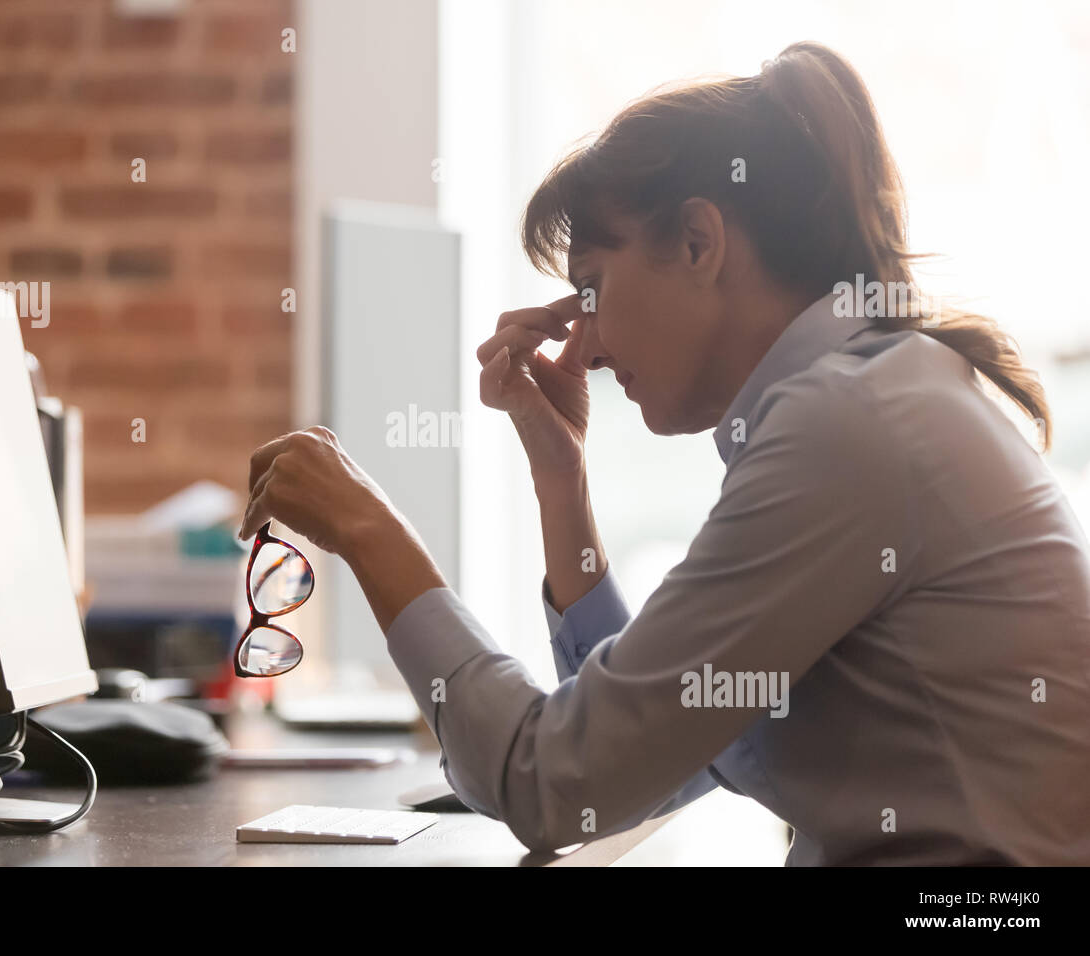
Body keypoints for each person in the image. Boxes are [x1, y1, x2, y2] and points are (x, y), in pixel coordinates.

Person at [237, 41, 1090, 864]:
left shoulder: (846, 429)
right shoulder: (874, 395)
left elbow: (554, 785)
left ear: (697, 243)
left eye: (593, 291)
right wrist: (559, 476)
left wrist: (367, 530)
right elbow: (654, 754)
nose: (591, 345)